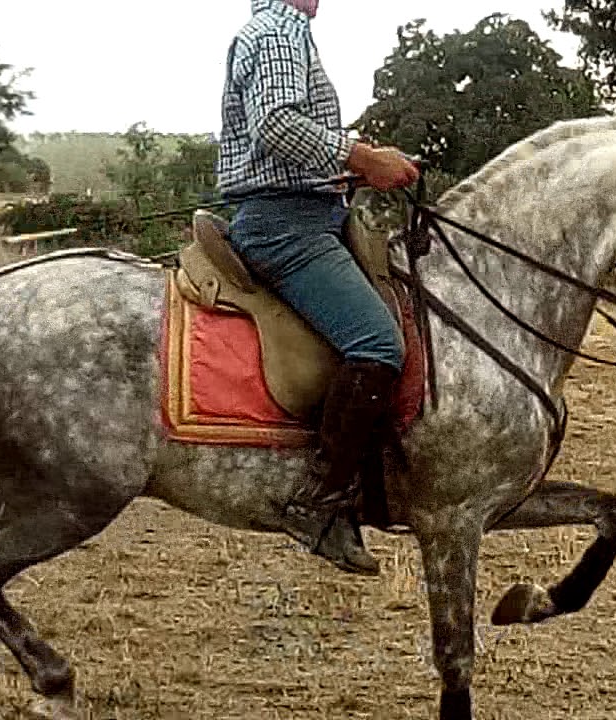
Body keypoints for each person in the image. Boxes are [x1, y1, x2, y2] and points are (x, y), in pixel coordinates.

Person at [215, 0, 421, 576]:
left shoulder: (280, 29)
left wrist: (365, 162)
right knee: (378, 345)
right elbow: (277, 123)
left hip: (311, 213)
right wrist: (361, 156)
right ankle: (319, 503)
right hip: (288, 225)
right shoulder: (281, 28)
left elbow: (292, 136)